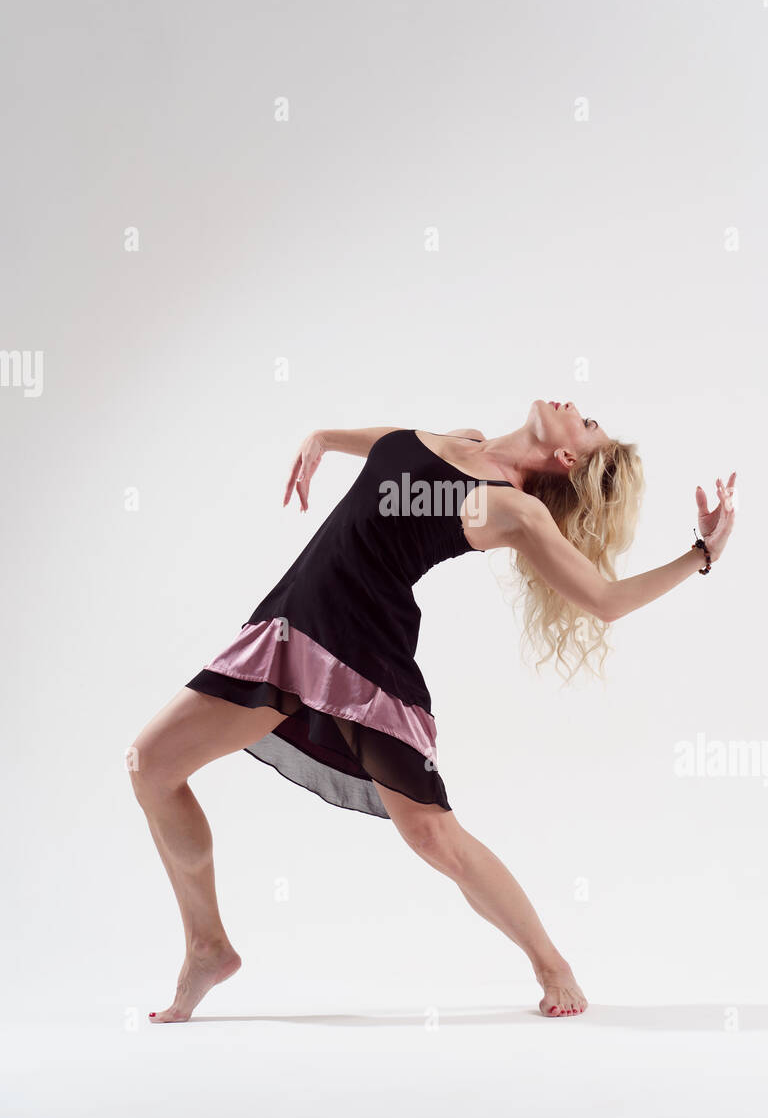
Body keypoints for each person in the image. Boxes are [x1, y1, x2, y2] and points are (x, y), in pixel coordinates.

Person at [128, 399, 736, 1022]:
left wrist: (701, 553)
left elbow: (604, 600)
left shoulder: (509, 506)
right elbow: (393, 442)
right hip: (289, 628)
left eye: (585, 425)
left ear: (567, 457)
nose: (574, 407)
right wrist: (324, 438)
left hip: (361, 651)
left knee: (431, 835)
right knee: (149, 766)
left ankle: (552, 964)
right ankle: (207, 945)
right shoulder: (463, 438)